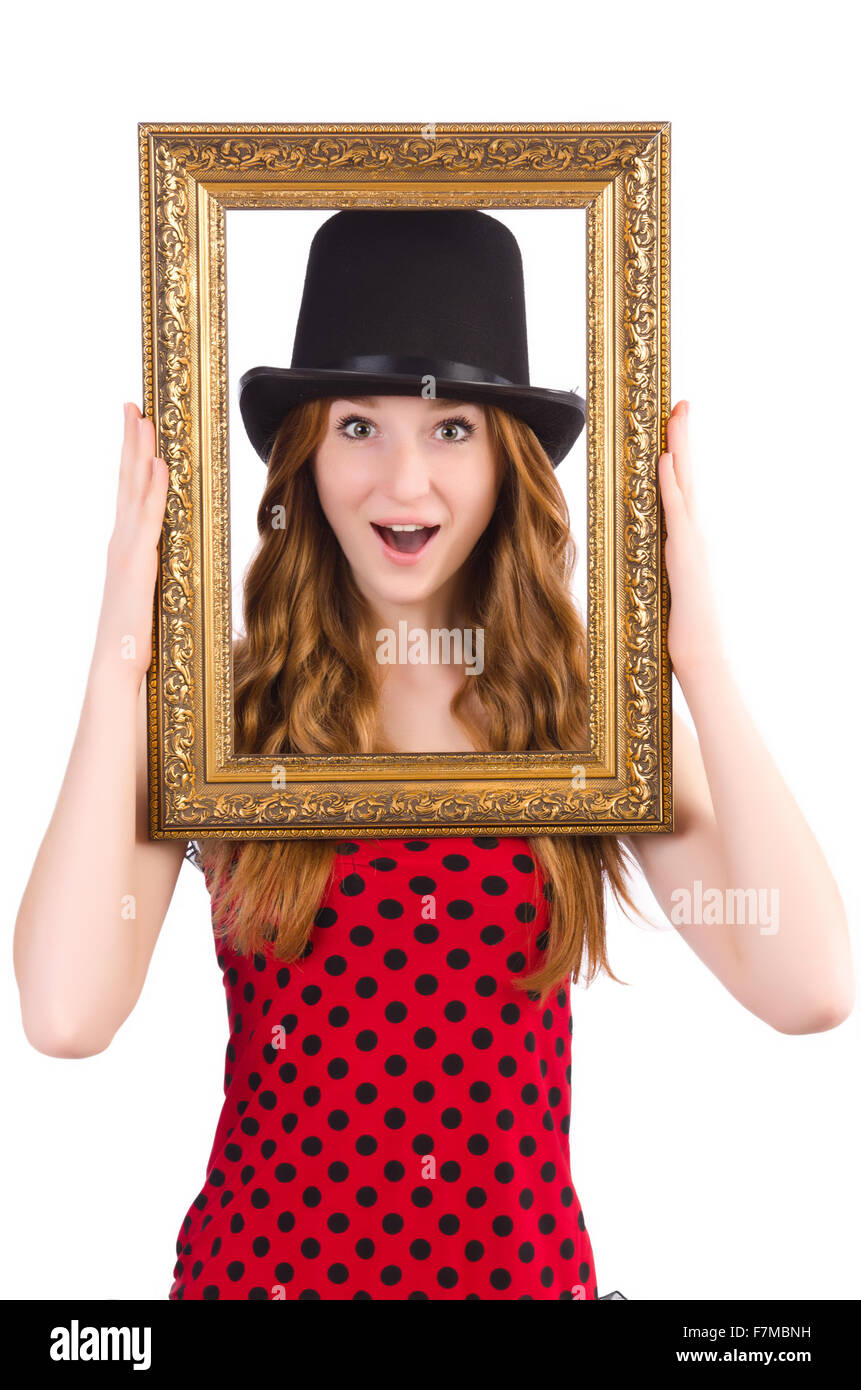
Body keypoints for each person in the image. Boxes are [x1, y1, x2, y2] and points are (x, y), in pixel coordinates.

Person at [13, 211, 853, 1302]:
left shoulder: (578, 709)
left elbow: (813, 985)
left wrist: (699, 660)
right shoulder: (227, 710)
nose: (402, 484)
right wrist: (121, 655)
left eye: (450, 428)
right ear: (305, 451)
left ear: (507, 462)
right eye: (359, 426)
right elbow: (64, 1012)